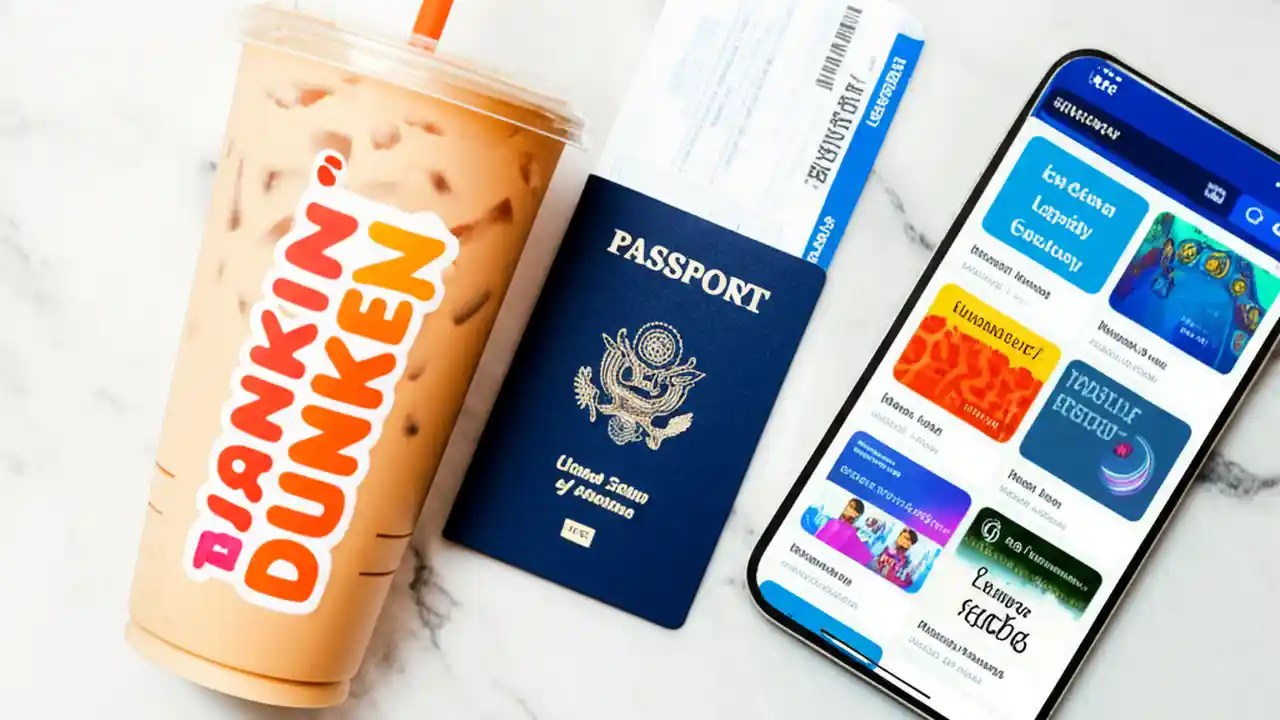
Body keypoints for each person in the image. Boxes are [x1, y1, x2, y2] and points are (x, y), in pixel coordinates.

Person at [814, 496, 872, 564]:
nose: (846, 507)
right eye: (848, 505)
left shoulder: (849, 532)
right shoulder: (832, 521)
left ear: (856, 514)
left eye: (850, 506)